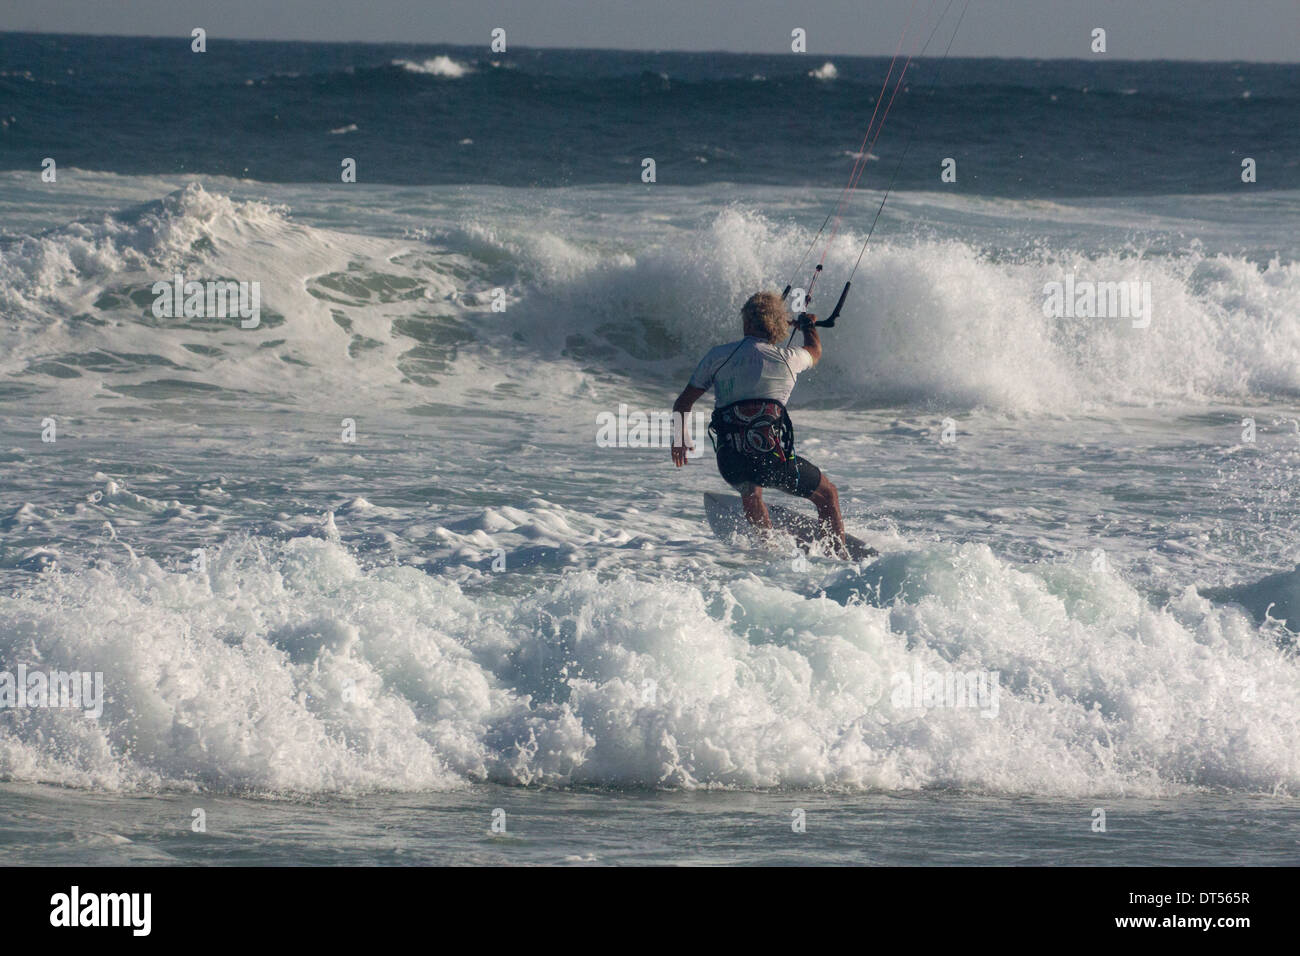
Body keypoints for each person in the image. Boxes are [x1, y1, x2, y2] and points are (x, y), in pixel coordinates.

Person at [671, 290, 847, 556]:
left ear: (746, 323)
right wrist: (808, 326)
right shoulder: (788, 359)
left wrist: (680, 439)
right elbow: (815, 351)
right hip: (772, 461)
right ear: (777, 325)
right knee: (828, 495)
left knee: (750, 489)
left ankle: (768, 552)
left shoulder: (718, 356)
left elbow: (683, 403)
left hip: (730, 463)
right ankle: (837, 556)